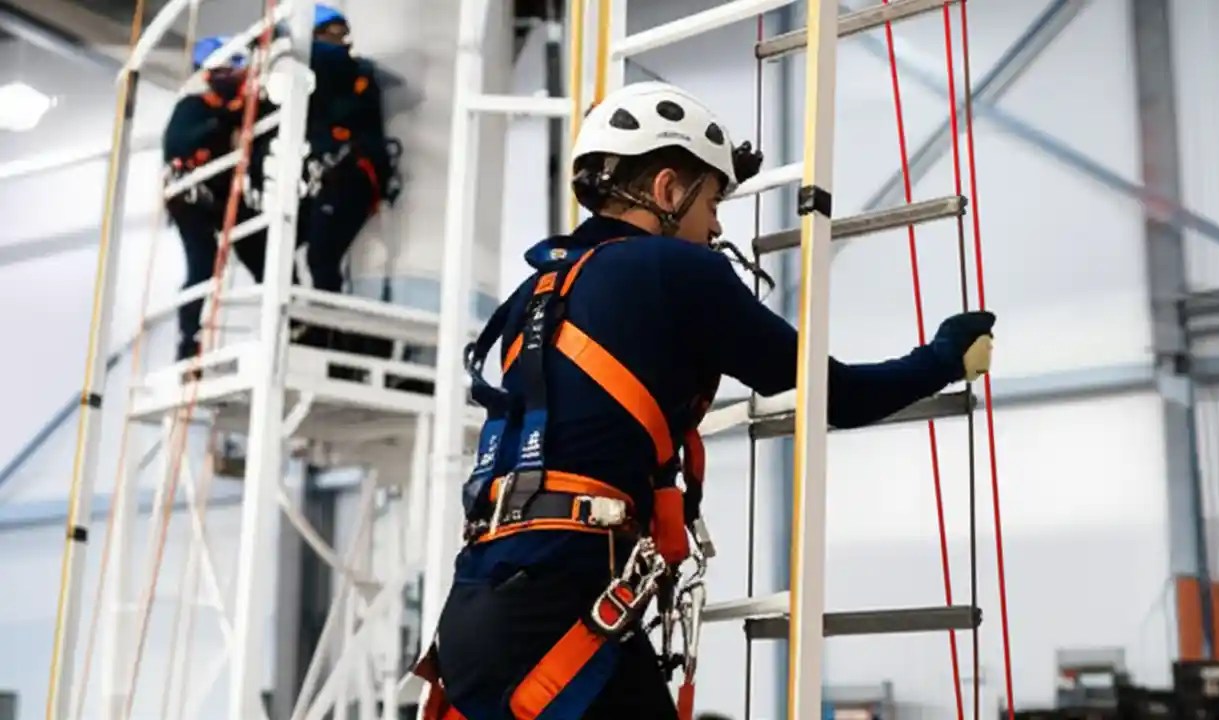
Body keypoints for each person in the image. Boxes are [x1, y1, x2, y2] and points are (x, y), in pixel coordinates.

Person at [416, 81, 997, 720]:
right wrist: (942, 358)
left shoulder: (535, 292)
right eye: (713, 202)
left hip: (475, 609)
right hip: (559, 605)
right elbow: (839, 394)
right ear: (667, 190)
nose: (718, 225)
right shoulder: (677, 270)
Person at [291, 4, 400, 356]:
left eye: (339, 35)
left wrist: (287, 46)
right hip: (333, 175)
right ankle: (316, 326)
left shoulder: (335, 65)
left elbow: (321, 59)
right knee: (299, 249)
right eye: (331, 34)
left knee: (320, 257)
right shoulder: (334, 72)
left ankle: (326, 332)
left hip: (348, 174)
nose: (338, 41)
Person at [163, 35, 268, 362]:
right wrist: (223, 119)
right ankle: (189, 338)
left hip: (225, 196)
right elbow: (179, 143)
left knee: (263, 255)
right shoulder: (193, 107)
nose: (236, 75)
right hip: (192, 197)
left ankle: (291, 324)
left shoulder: (241, 107)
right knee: (202, 266)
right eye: (228, 69)